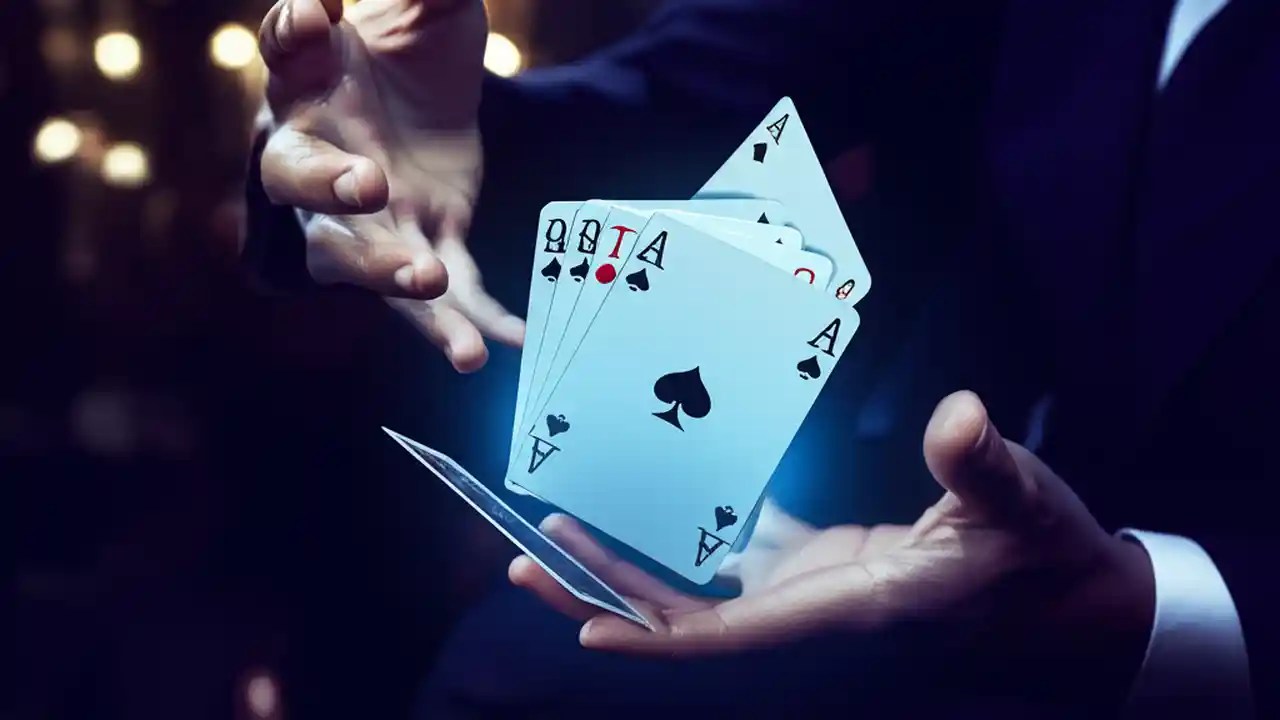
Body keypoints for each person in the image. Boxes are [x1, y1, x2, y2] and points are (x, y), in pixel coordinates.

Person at [242, 0, 1277, 716]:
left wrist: (1154, 610)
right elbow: (668, 103)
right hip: (883, 552)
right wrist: (397, 146)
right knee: (517, 674)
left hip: (1214, 636)